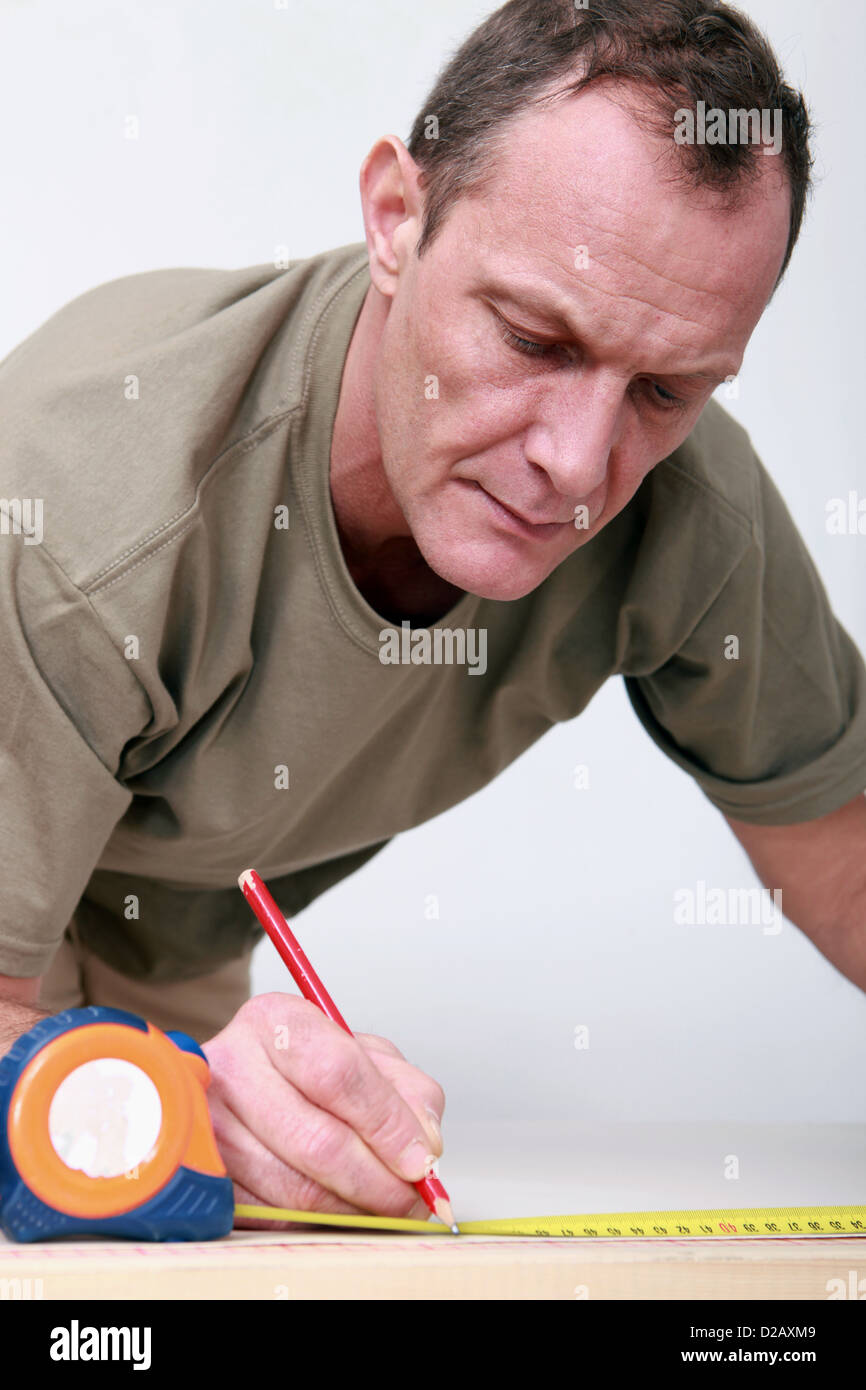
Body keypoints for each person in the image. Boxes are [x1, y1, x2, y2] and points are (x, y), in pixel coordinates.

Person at [1, 0, 864, 1226]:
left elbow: (844, 848)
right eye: (531, 338)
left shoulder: (685, 513)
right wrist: (145, 1091)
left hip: (160, 940)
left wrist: (187, 1085)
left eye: (665, 388)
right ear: (397, 221)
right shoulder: (78, 510)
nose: (576, 464)